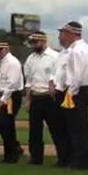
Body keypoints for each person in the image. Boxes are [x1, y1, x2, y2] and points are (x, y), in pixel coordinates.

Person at [58, 21, 88, 170]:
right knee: (79, 127)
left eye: (65, 32)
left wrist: (70, 93)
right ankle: (82, 160)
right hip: (81, 90)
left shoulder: (77, 50)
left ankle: (80, 161)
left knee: (77, 128)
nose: (63, 36)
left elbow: (76, 75)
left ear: (73, 33)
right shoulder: (85, 47)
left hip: (77, 91)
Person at [23, 32, 60, 166]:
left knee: (55, 128)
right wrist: (27, 100)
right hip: (35, 97)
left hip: (50, 97)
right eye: (32, 43)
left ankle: (63, 156)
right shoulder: (30, 59)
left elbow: (58, 76)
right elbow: (28, 81)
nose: (33, 45)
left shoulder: (55, 56)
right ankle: (36, 158)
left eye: (35, 42)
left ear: (43, 41)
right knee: (34, 130)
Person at [0, 39, 25, 163]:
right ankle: (10, 154)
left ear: (6, 49)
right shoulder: (4, 62)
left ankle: (14, 149)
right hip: (6, 95)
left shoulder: (12, 62)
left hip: (11, 97)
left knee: (2, 123)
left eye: (0, 50)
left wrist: (2, 100)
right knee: (8, 126)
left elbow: (12, 84)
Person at [49, 31, 74, 167]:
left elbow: (69, 74)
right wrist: (51, 83)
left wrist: (61, 87)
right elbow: (55, 72)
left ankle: (69, 157)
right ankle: (62, 157)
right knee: (57, 127)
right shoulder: (61, 54)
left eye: (62, 35)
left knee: (67, 126)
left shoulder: (72, 53)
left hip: (66, 92)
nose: (59, 37)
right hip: (57, 93)